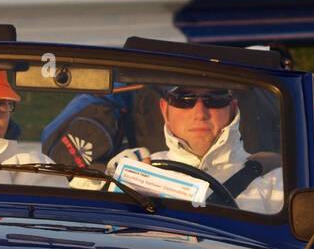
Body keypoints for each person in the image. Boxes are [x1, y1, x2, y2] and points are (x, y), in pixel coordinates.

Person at [109, 85, 285, 215]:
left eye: (214, 99)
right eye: (184, 100)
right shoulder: (137, 172)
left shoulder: (275, 180)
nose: (200, 113)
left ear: (232, 108)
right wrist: (116, 189)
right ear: (164, 110)